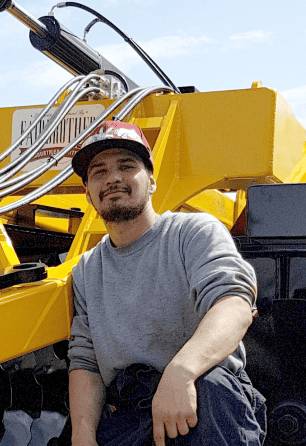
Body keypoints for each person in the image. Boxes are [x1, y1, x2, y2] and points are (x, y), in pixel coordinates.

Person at [66, 121, 266, 446]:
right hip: (132, 410)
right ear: (88, 194)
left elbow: (233, 303)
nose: (113, 178)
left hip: (204, 398)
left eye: (126, 166)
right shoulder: (88, 269)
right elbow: (86, 359)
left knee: (214, 385)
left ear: (152, 180)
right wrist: (83, 434)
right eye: (99, 172)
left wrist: (181, 374)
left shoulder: (193, 233)